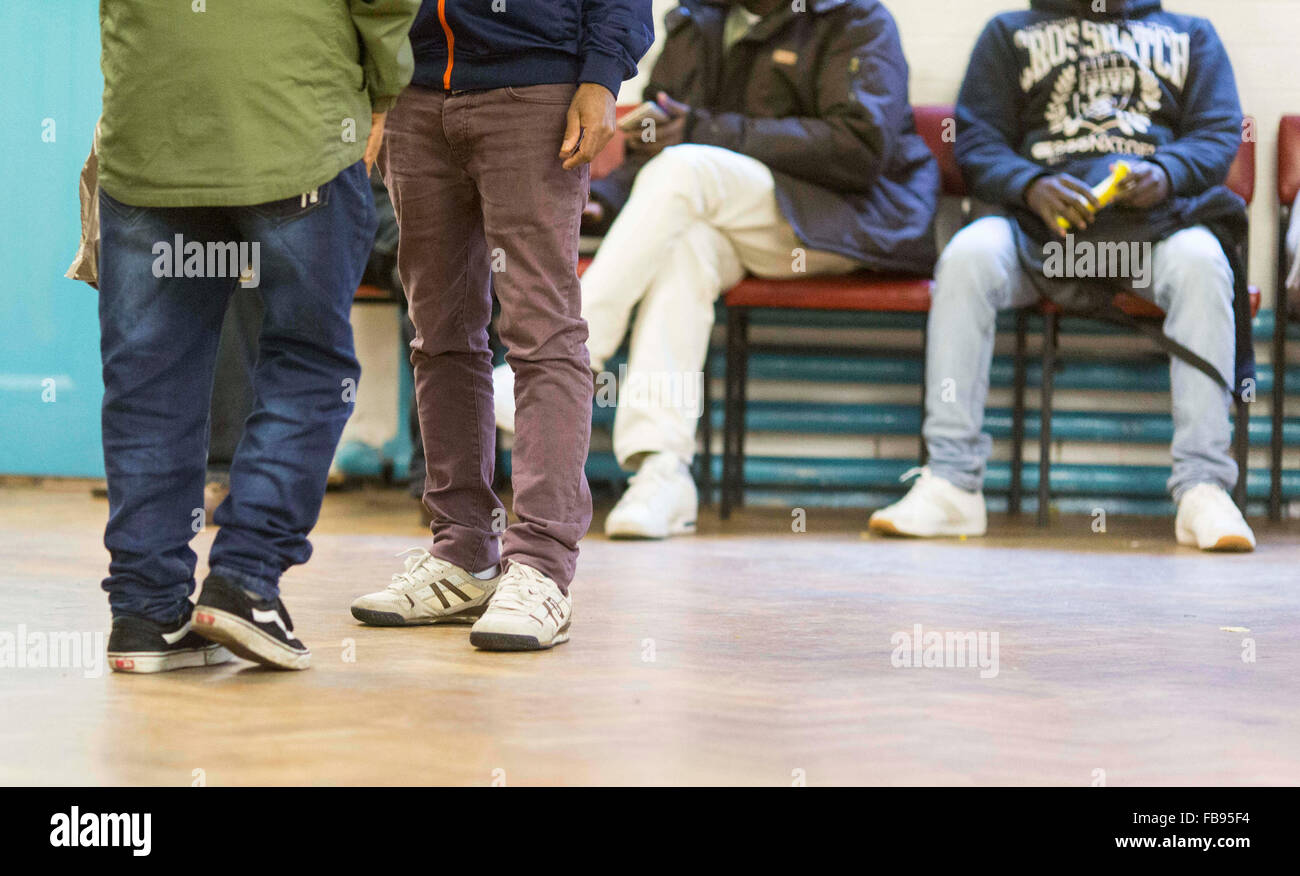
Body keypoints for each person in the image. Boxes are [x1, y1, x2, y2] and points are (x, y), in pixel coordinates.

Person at [493, 0, 940, 539]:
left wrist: (701, 131)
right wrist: (608, 199)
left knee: (686, 167)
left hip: (847, 222)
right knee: (685, 247)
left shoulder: (855, 19)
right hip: (735, 221)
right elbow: (657, 145)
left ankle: (563, 365)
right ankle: (663, 473)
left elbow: (859, 150)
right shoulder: (695, 20)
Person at [98, 0, 420, 673]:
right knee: (307, 361)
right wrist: (385, 88)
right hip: (294, 115)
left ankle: (144, 610)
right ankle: (245, 578)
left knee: (148, 379)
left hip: (151, 115)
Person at [869, 0, 1257, 551]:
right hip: (1037, 235)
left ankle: (1204, 488)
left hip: (1154, 232)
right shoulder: (1008, 33)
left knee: (1203, 261)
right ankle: (952, 481)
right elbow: (976, 142)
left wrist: (1167, 172)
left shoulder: (1192, 35)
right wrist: (1030, 184)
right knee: (965, 257)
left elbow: (1219, 136)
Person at [349, 0, 654, 649]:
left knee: (542, 334)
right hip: (415, 92)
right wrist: (374, 84)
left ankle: (542, 564)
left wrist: (602, 77)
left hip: (536, 90)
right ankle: (463, 551)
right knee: (439, 334)